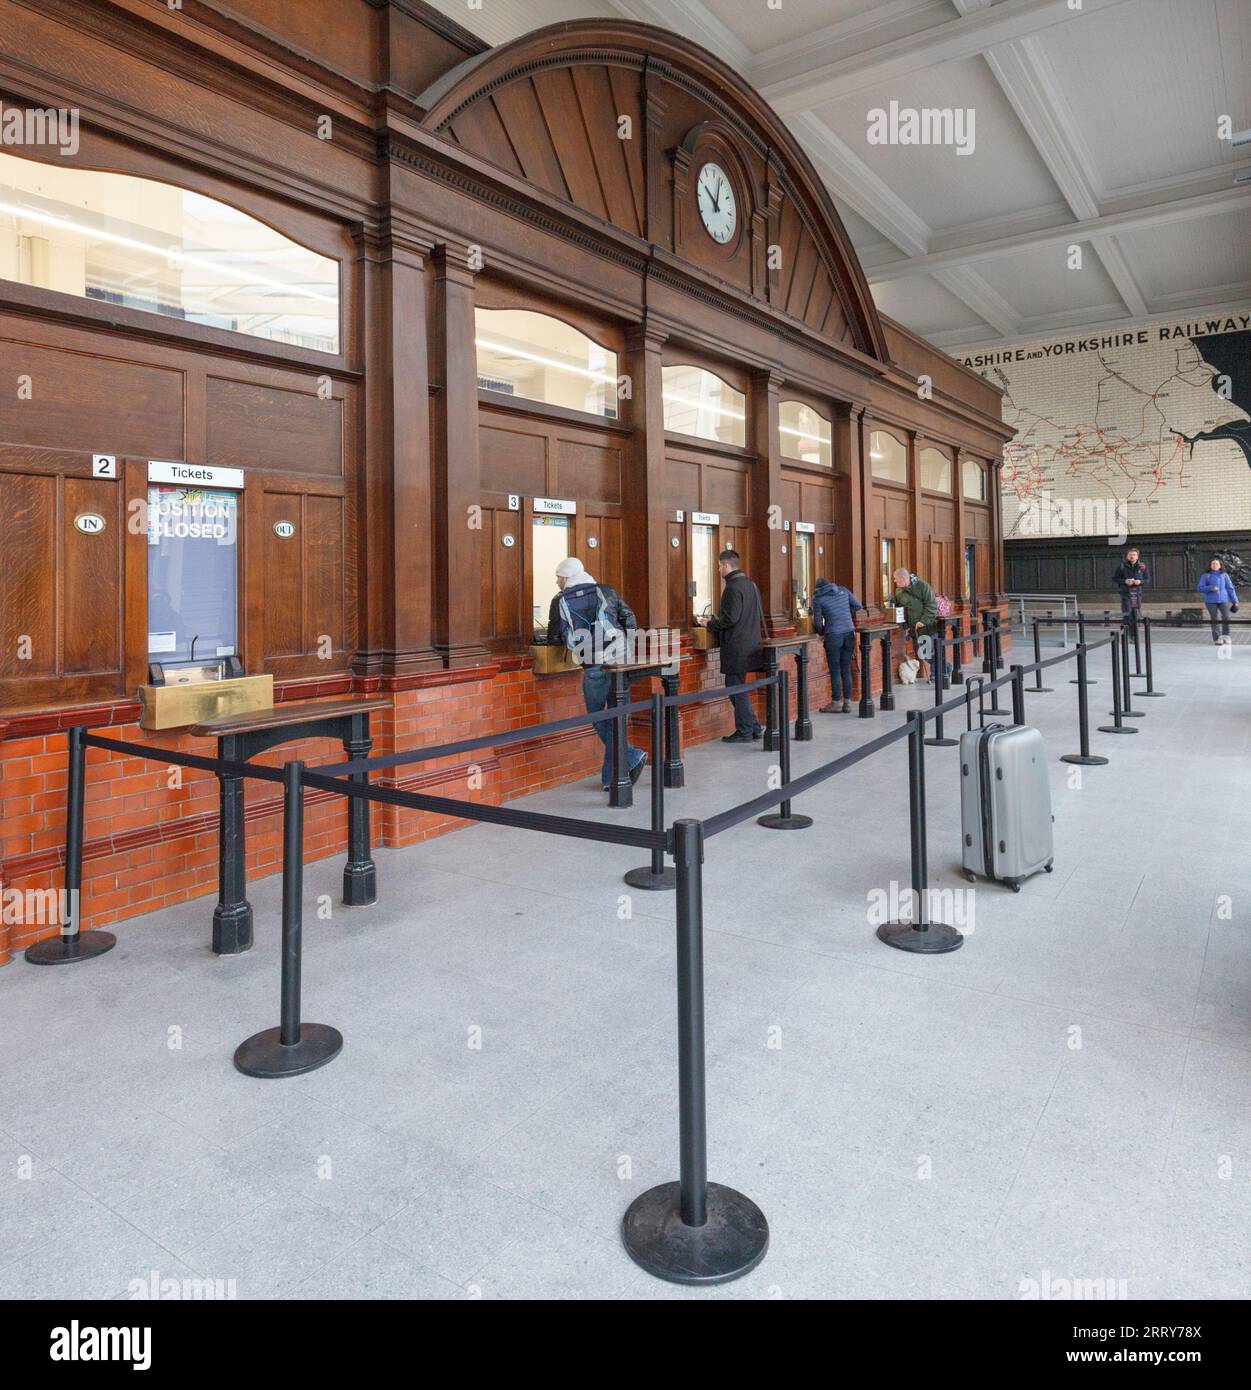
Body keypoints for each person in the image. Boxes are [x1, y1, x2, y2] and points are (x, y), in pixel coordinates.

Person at [546, 557, 646, 796]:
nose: (556, 581)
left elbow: (554, 637)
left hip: (594, 663)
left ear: (566, 576)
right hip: (620, 660)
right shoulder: (606, 590)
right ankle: (612, 777)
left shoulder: (560, 600)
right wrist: (627, 648)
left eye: (558, 577)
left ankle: (630, 756)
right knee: (617, 714)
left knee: (596, 714)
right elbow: (629, 618)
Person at [698, 549, 765, 743]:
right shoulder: (750, 585)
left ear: (726, 566)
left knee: (735, 687)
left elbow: (730, 619)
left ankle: (745, 731)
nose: (718, 569)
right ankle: (753, 727)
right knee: (738, 686)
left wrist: (708, 623)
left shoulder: (732, 588)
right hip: (751, 644)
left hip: (737, 647)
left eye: (719, 566)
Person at [811, 576, 861, 713]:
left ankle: (835, 703)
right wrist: (845, 614)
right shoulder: (843, 591)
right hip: (849, 633)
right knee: (846, 668)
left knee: (835, 669)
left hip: (833, 635)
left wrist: (821, 633)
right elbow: (858, 605)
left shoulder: (818, 599)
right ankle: (848, 703)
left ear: (818, 588)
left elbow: (817, 622)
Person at [892, 567, 938, 681]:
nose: (894, 581)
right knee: (921, 653)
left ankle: (937, 674)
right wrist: (906, 626)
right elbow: (902, 610)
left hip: (927, 627)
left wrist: (923, 620)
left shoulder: (922, 585)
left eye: (895, 579)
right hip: (913, 629)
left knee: (929, 652)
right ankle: (946, 667)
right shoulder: (899, 591)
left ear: (903, 578)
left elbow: (931, 605)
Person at [1196, 557, 1239, 645]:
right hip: (1210, 601)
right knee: (1214, 619)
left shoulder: (1224, 575)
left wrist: (1235, 601)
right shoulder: (1205, 576)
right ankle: (1217, 638)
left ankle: (1226, 636)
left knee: (1226, 618)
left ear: (1220, 566)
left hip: (1223, 600)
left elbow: (1230, 588)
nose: (1214, 565)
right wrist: (1211, 588)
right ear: (1210, 565)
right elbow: (1199, 588)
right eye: (1213, 564)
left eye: (1216, 564)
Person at [1113, 547, 1147, 636]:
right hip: (1126, 593)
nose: (1132, 556)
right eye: (1130, 555)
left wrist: (1140, 581)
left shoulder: (1142, 566)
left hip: (1136, 593)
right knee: (1127, 613)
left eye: (1134, 555)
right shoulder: (1121, 566)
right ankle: (1127, 635)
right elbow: (1115, 579)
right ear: (1127, 556)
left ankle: (1134, 635)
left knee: (1135, 613)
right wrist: (1125, 581)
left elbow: (1147, 579)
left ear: (1137, 557)